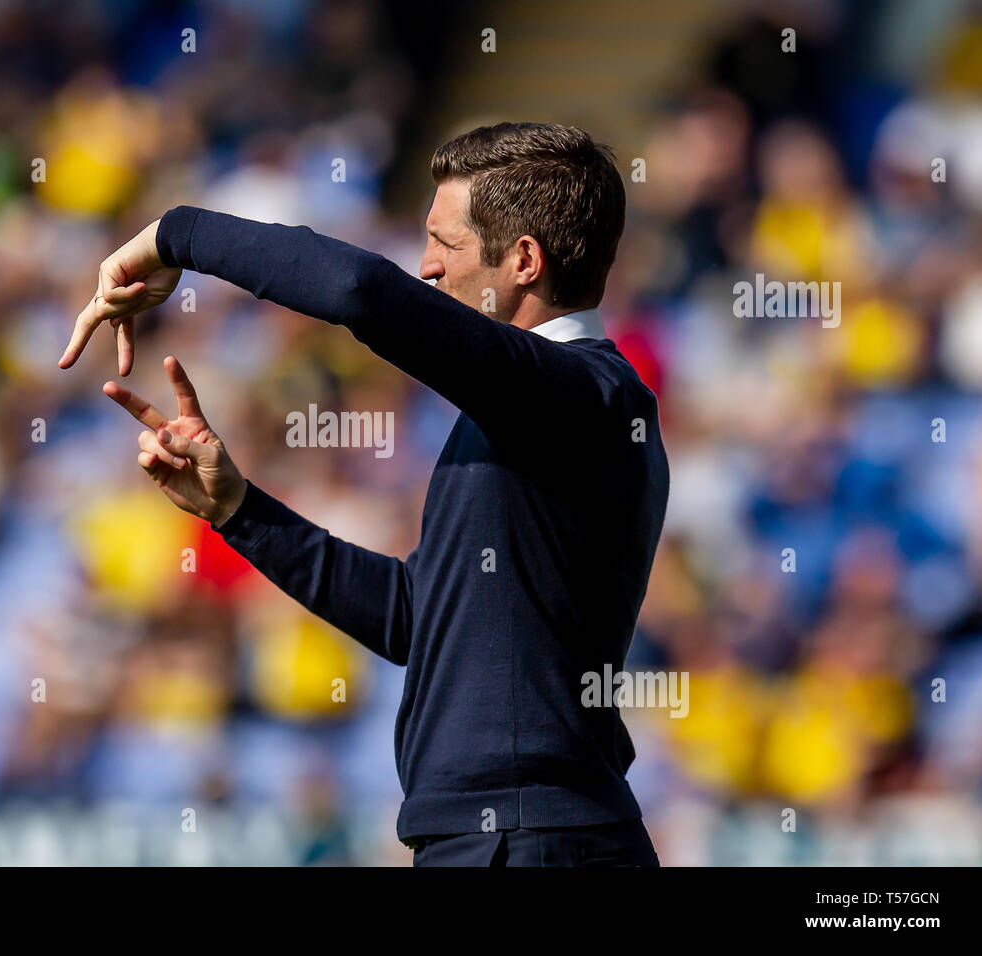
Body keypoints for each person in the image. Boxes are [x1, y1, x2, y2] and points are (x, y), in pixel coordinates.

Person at [60, 122, 669, 866]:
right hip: (496, 836)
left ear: (522, 261)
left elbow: (361, 290)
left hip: (531, 841)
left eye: (444, 244)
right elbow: (417, 619)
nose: (427, 267)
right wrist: (238, 511)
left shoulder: (586, 396)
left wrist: (172, 235)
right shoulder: (528, 417)